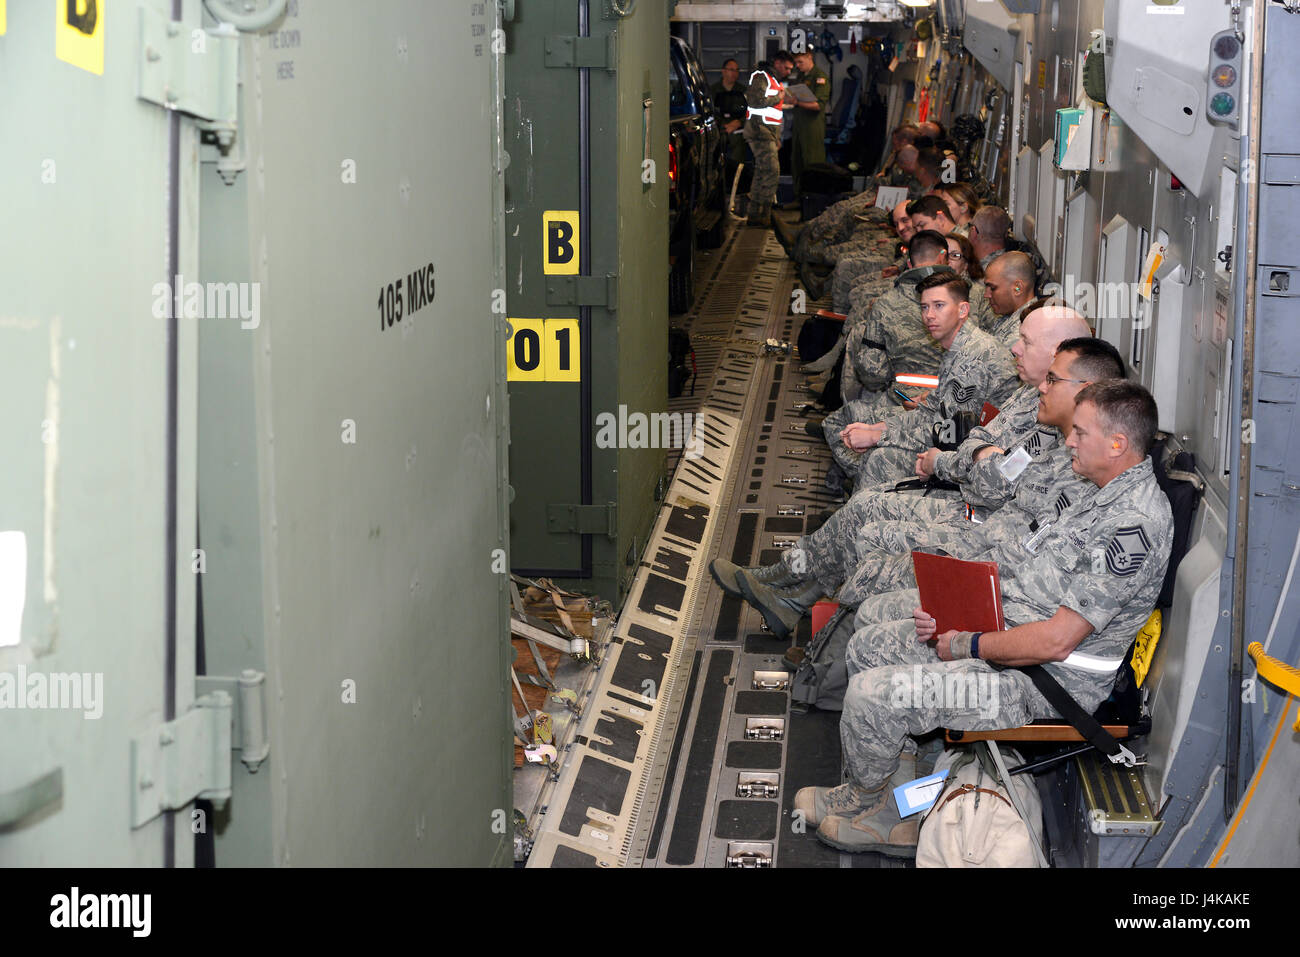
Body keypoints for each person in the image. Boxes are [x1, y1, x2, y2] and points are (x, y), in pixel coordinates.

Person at [794, 379, 1172, 855]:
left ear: (1117, 444)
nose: (1069, 441)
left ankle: (888, 816)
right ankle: (887, 795)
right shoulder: (1096, 489)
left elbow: (1057, 640)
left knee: (875, 695)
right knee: (870, 643)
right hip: (1007, 629)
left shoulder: (1133, 523)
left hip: (1045, 680)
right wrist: (963, 611)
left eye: (1080, 433)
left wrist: (966, 642)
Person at [712, 313, 1104, 636]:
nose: (1014, 347)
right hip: (970, 502)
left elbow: (991, 483)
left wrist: (963, 458)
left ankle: (795, 601)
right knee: (867, 506)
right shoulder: (1031, 394)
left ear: (1059, 355)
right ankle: (784, 586)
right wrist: (977, 453)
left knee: (870, 520)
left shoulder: (1067, 427)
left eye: (1026, 341)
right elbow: (976, 440)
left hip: (981, 523)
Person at [839, 273, 1020, 488]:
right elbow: (931, 409)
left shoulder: (973, 358)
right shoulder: (959, 346)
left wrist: (877, 437)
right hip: (961, 444)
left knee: (881, 459)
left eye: (939, 306)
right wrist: (875, 428)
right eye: (924, 307)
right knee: (874, 449)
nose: (929, 315)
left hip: (979, 462)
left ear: (963, 310)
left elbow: (946, 433)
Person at [742, 52, 795, 227]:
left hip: (768, 132)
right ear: (777, 63)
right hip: (759, 130)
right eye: (786, 67)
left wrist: (777, 137)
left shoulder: (774, 80)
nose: (788, 72)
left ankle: (756, 215)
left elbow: (774, 113)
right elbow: (754, 101)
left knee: (762, 171)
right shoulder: (761, 76)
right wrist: (778, 98)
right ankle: (764, 213)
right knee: (771, 170)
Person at [789, 50, 831, 198]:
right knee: (797, 162)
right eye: (796, 63)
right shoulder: (801, 76)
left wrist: (797, 102)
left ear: (809, 57)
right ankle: (798, 198)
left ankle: (814, 199)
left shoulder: (819, 77)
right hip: (800, 126)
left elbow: (818, 105)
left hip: (812, 127)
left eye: (800, 62)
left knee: (813, 163)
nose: (797, 66)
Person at [982, 251, 1039, 345]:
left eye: (992, 288)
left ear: (1018, 288)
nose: (986, 295)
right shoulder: (1009, 314)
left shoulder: (1021, 333)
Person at [711, 59, 748, 186]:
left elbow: (750, 113)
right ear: (723, 71)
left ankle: (735, 184)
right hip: (719, 129)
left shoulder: (743, 91)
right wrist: (721, 125)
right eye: (731, 70)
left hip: (738, 130)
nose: (735, 73)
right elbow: (709, 112)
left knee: (738, 154)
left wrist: (739, 122)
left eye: (737, 70)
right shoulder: (713, 90)